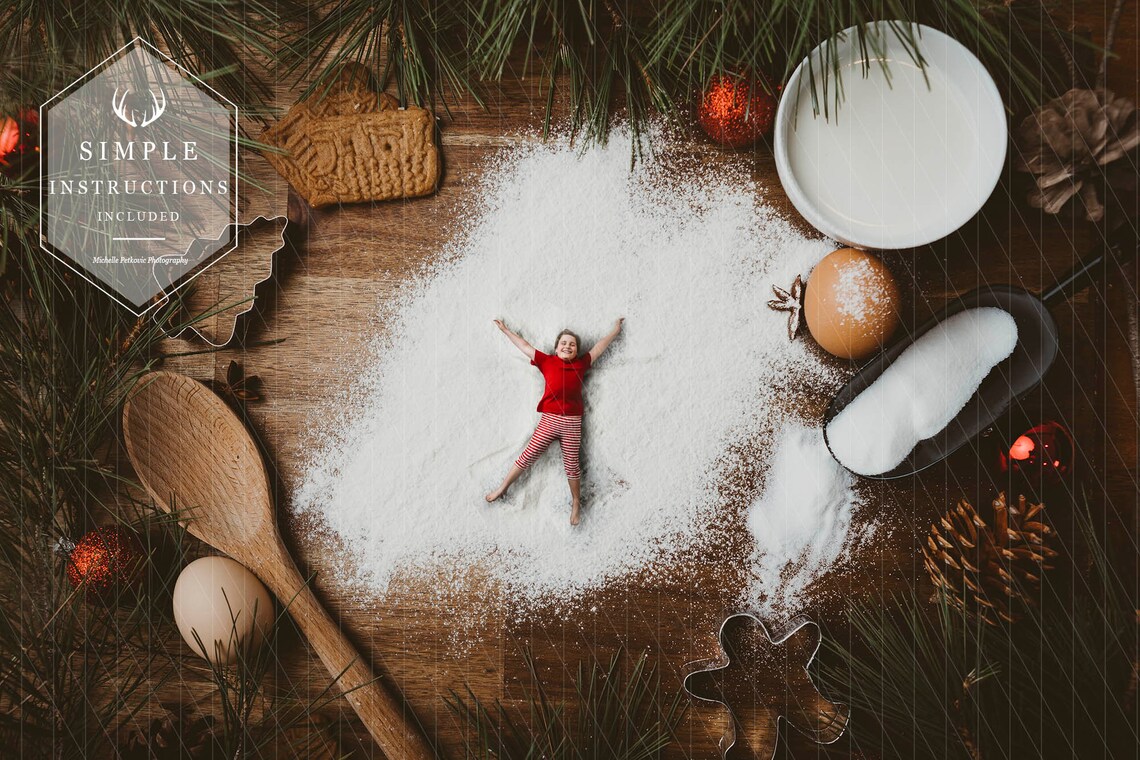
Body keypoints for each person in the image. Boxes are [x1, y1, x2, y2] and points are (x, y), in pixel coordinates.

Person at [485, 318, 625, 525]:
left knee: (572, 466)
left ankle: (576, 502)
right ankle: (503, 487)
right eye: (564, 343)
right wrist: (505, 330)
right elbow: (524, 346)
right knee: (526, 456)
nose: (567, 346)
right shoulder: (546, 361)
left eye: (572, 344)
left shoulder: (581, 363)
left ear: (576, 350)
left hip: (572, 424)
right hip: (549, 422)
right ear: (556, 348)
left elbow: (599, 347)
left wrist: (615, 330)